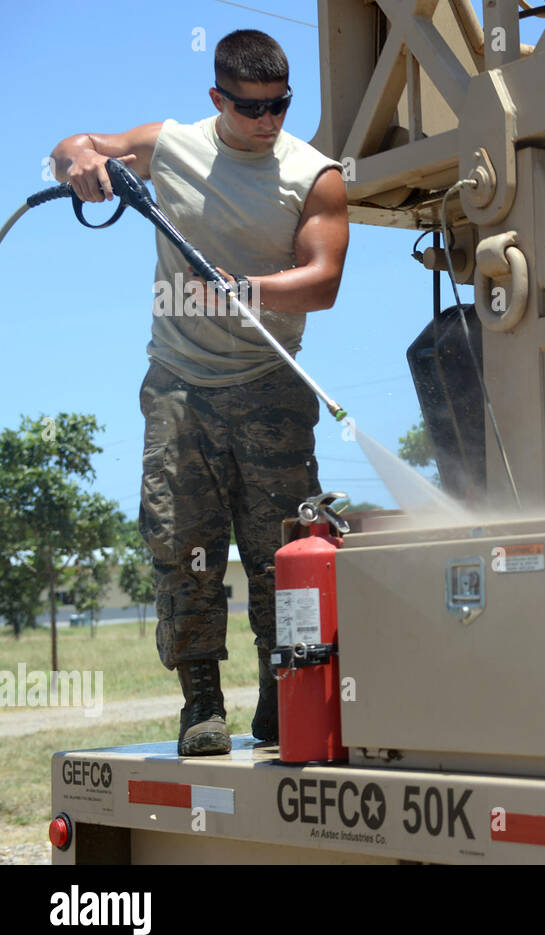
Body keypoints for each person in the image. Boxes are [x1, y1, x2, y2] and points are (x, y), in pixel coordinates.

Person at [50, 30, 349, 755]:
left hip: (270, 385)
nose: (268, 121)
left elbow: (324, 280)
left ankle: (286, 695)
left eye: (280, 105)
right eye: (251, 108)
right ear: (218, 98)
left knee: (280, 552)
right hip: (178, 387)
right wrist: (79, 161)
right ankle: (201, 706)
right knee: (182, 547)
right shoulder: (171, 146)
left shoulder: (314, 175)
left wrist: (242, 292)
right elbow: (73, 145)